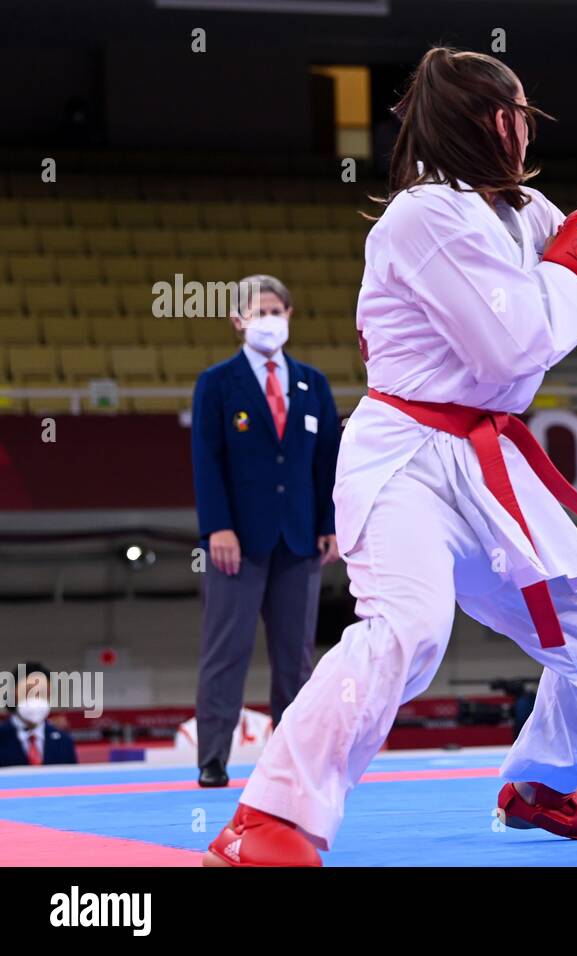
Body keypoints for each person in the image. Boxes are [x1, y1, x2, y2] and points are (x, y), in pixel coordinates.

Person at [204, 47, 577, 866]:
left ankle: (540, 784)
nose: (523, 128)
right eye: (515, 112)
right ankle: (271, 818)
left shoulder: (524, 212)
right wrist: (572, 263)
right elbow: (513, 350)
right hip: (408, 460)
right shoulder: (421, 217)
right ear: (483, 121)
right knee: (409, 627)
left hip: (487, 461)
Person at [190, 275, 342, 789]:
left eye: (276, 310)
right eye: (258, 311)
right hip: (236, 541)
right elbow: (206, 463)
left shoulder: (313, 385)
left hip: (299, 540)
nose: (269, 319)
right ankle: (212, 758)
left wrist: (330, 526)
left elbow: (327, 464)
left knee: (295, 658)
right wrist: (218, 528)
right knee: (225, 652)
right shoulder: (216, 383)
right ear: (237, 321)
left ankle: (291, 758)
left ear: (290, 315)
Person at [0, 663, 78, 767]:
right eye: (28, 691)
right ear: (13, 693)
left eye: (43, 692)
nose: (35, 698)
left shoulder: (64, 742)